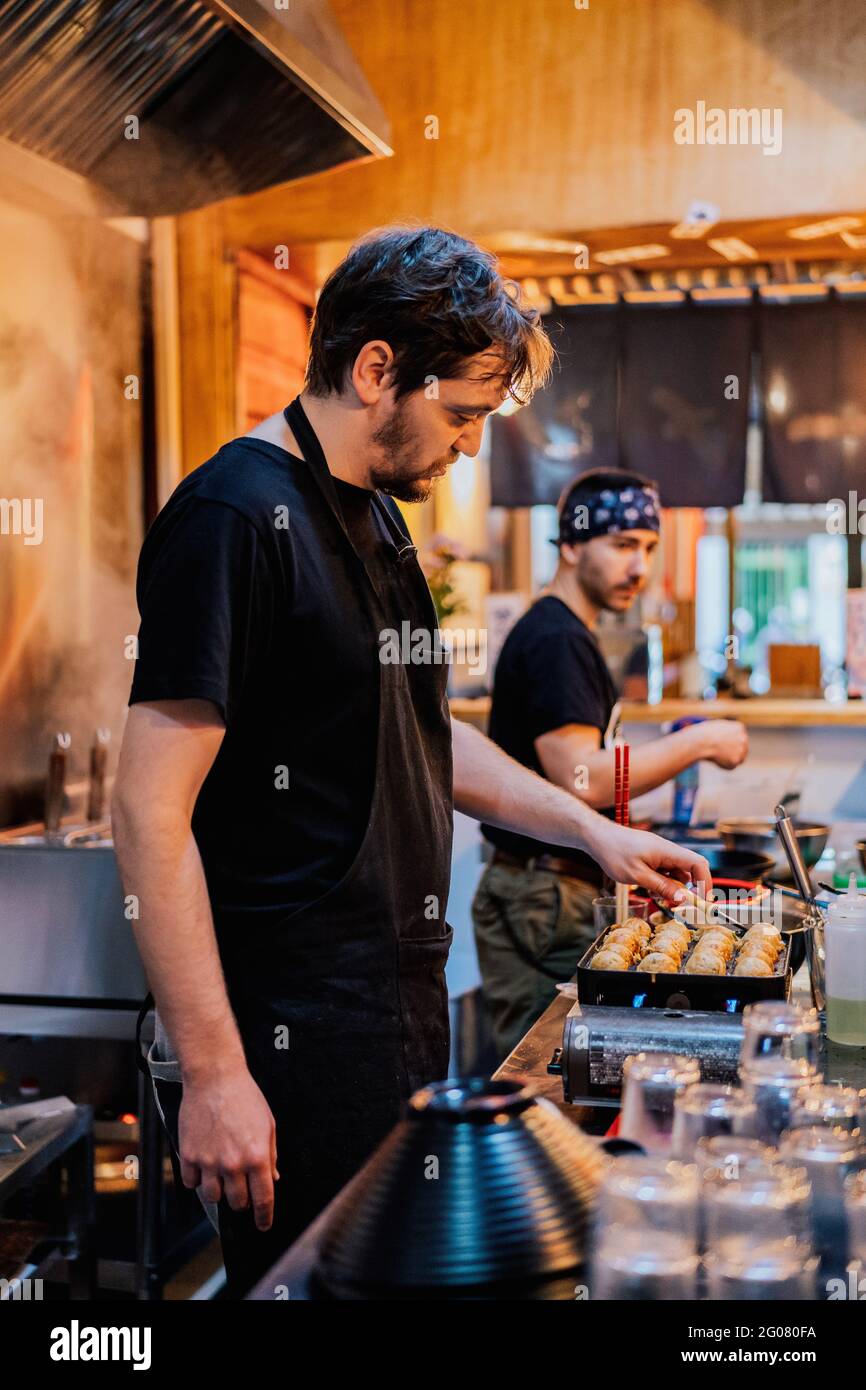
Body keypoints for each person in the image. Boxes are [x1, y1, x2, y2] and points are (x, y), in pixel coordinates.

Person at [111, 231, 711, 1297]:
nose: (472, 449)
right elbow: (146, 812)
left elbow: (427, 737)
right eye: (464, 414)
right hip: (286, 1045)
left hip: (393, 1012)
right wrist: (213, 1072)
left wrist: (593, 829)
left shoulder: (380, 521)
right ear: (376, 367)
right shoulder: (233, 520)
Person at [473, 467, 748, 1058]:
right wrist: (700, 741)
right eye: (623, 545)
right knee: (548, 1070)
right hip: (545, 891)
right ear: (570, 545)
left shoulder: (564, 631)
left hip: (543, 886)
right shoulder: (556, 638)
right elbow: (583, 776)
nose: (640, 567)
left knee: (561, 1061)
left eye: (648, 548)